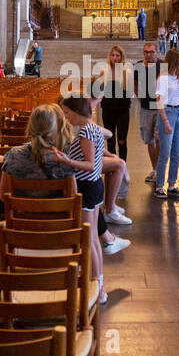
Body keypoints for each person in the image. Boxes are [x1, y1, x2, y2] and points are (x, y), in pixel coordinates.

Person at [52, 96, 130, 304]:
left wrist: (66, 160)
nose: (66, 118)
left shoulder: (86, 131)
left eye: (67, 113)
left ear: (77, 112)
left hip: (87, 185)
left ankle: (98, 285)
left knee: (89, 239)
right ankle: (99, 282)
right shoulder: (94, 128)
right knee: (93, 238)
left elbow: (89, 164)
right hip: (94, 185)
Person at [153, 48, 179, 199]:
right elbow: (159, 101)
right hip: (167, 113)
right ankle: (159, 186)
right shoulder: (163, 78)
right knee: (165, 152)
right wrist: (166, 121)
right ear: (175, 62)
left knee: (177, 152)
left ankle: (172, 184)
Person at [132, 42, 162, 184]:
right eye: (146, 52)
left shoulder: (163, 66)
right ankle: (154, 168)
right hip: (145, 108)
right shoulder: (138, 66)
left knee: (159, 139)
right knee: (149, 139)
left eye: (151, 52)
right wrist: (139, 97)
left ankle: (159, 171)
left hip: (160, 108)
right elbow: (135, 83)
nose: (149, 55)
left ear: (157, 52)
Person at [95, 44, 131, 161]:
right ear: (109, 57)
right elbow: (98, 90)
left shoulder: (127, 72)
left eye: (118, 55)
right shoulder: (104, 71)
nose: (115, 58)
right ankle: (113, 167)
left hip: (123, 109)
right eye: (113, 55)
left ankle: (123, 165)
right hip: (108, 108)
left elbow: (131, 91)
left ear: (122, 57)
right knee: (110, 140)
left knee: (122, 140)